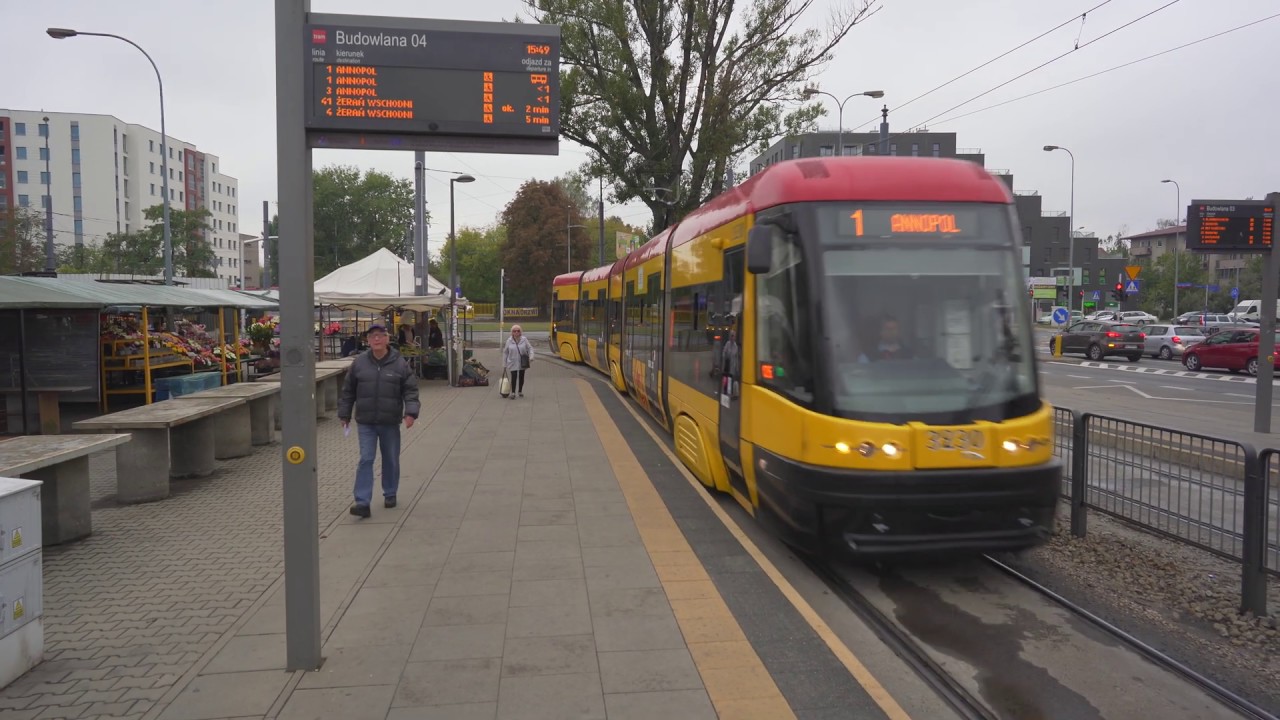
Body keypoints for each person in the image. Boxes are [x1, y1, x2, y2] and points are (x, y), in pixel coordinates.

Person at [338, 323, 420, 518]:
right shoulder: (359, 363)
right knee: (366, 459)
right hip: (366, 421)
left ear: (387, 339)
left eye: (380, 335)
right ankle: (362, 502)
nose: (376, 339)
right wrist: (345, 414)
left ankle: (390, 492)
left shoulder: (399, 363)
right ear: (368, 340)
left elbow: (410, 390)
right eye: (372, 336)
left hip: (389, 421)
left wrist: (411, 413)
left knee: (390, 459)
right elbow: (348, 391)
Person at [502, 324, 534, 398]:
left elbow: (530, 348)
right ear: (512, 332)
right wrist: (504, 364)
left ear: (520, 332)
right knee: (514, 376)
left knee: (521, 376)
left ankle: (520, 391)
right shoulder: (509, 341)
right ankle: (513, 393)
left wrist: (531, 357)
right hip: (512, 361)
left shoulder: (524, 339)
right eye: (514, 331)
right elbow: (505, 352)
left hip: (522, 362)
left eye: (518, 331)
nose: (516, 332)